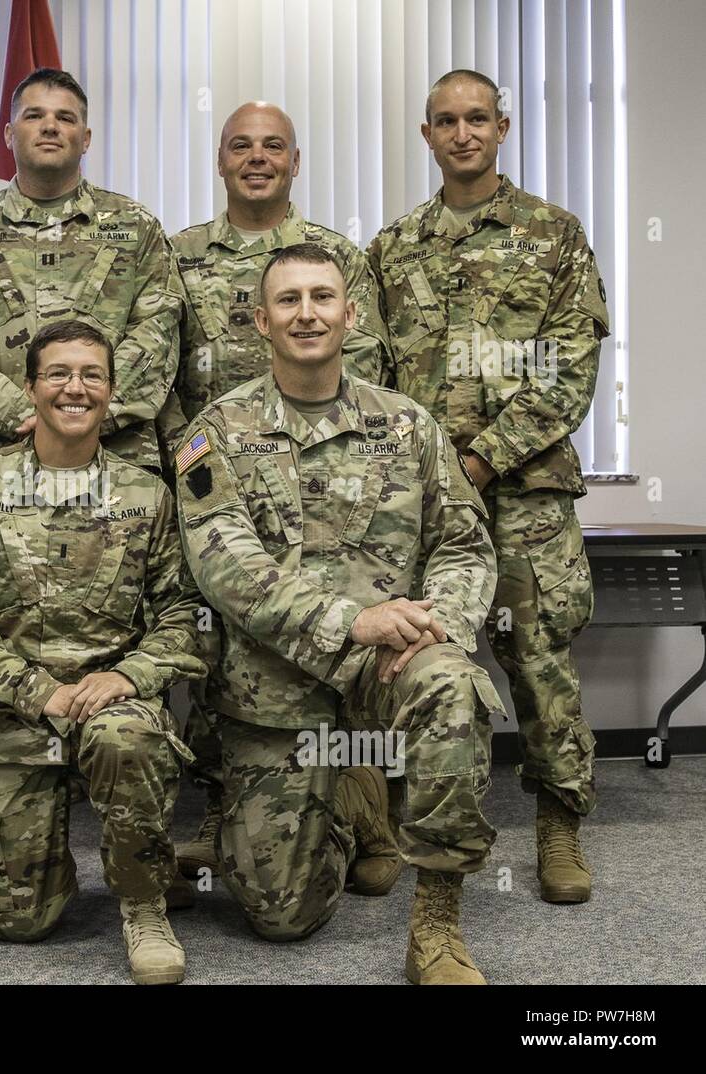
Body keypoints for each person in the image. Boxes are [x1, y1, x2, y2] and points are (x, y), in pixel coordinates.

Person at [177, 243, 506, 984]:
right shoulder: (217, 431)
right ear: (261, 321)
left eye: (322, 297)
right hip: (278, 690)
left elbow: (465, 546)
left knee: (452, 684)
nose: (307, 313)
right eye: (288, 300)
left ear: (351, 315)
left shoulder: (409, 426)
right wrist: (353, 623)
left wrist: (436, 630)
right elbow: (226, 566)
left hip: (391, 666)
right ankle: (356, 804)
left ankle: (438, 926)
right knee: (281, 917)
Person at [367, 69, 609, 904]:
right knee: (411, 656)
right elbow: (373, 377)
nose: (462, 133)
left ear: (503, 128)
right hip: (421, 503)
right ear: (426, 134)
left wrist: (482, 459)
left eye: (477, 119)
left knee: (539, 663)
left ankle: (558, 822)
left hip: (525, 494)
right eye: (445, 121)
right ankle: (397, 819)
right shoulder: (392, 247)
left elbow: (571, 369)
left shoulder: (556, 236)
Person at [0, 320, 215, 985]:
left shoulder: (148, 495)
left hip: (112, 709)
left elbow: (185, 620)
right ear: (30, 388)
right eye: (58, 374)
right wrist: (40, 693)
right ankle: (10, 855)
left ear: (111, 393)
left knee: (128, 734)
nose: (74, 388)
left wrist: (127, 676)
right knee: (12, 921)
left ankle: (143, 901)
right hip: (12, 719)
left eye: (92, 376)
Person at [164, 101, 392, 877]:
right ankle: (232, 808)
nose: (256, 158)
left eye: (273, 147)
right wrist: (185, 469)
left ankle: (364, 810)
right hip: (220, 485)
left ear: (296, 161)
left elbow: (370, 376)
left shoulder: (336, 255)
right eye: (240, 146)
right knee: (223, 641)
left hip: (331, 484)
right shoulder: (181, 255)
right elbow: (161, 374)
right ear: (220, 160)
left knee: (346, 631)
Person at [0, 67, 182, 476]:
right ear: (8, 134)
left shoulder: (135, 227)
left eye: (65, 118)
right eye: (34, 115)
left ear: (86, 138)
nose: (50, 127)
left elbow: (157, 335)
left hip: (117, 466)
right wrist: (24, 412)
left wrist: (80, 415)